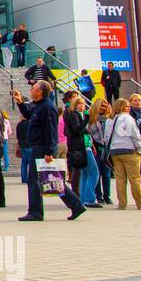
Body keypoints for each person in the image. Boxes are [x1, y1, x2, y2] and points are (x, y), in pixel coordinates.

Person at [14, 80, 85, 221]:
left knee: (35, 181)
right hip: (38, 147)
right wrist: (20, 102)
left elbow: (50, 131)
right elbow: (29, 115)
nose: (31, 90)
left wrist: (49, 151)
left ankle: (36, 212)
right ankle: (76, 205)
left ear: (40, 92)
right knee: (53, 179)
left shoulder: (47, 107)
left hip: (41, 148)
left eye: (33, 88)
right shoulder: (39, 106)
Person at [106, 97, 141, 210]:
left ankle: (122, 204)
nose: (129, 108)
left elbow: (106, 137)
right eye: (127, 106)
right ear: (122, 107)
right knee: (135, 179)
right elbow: (135, 135)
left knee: (120, 179)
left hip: (115, 151)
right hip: (129, 151)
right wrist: (140, 149)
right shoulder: (128, 119)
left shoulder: (110, 120)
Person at [64, 95, 100, 209]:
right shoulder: (74, 115)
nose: (82, 106)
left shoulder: (79, 115)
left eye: (83, 104)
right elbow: (78, 129)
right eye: (79, 103)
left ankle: (84, 199)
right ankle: (89, 198)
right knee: (94, 172)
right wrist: (86, 119)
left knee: (85, 174)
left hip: (85, 146)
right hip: (82, 148)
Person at [88, 97, 113, 203]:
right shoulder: (91, 119)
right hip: (95, 148)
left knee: (106, 173)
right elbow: (89, 133)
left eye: (105, 106)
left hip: (106, 148)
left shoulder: (109, 119)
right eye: (101, 105)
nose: (103, 108)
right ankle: (99, 196)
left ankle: (107, 196)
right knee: (97, 172)